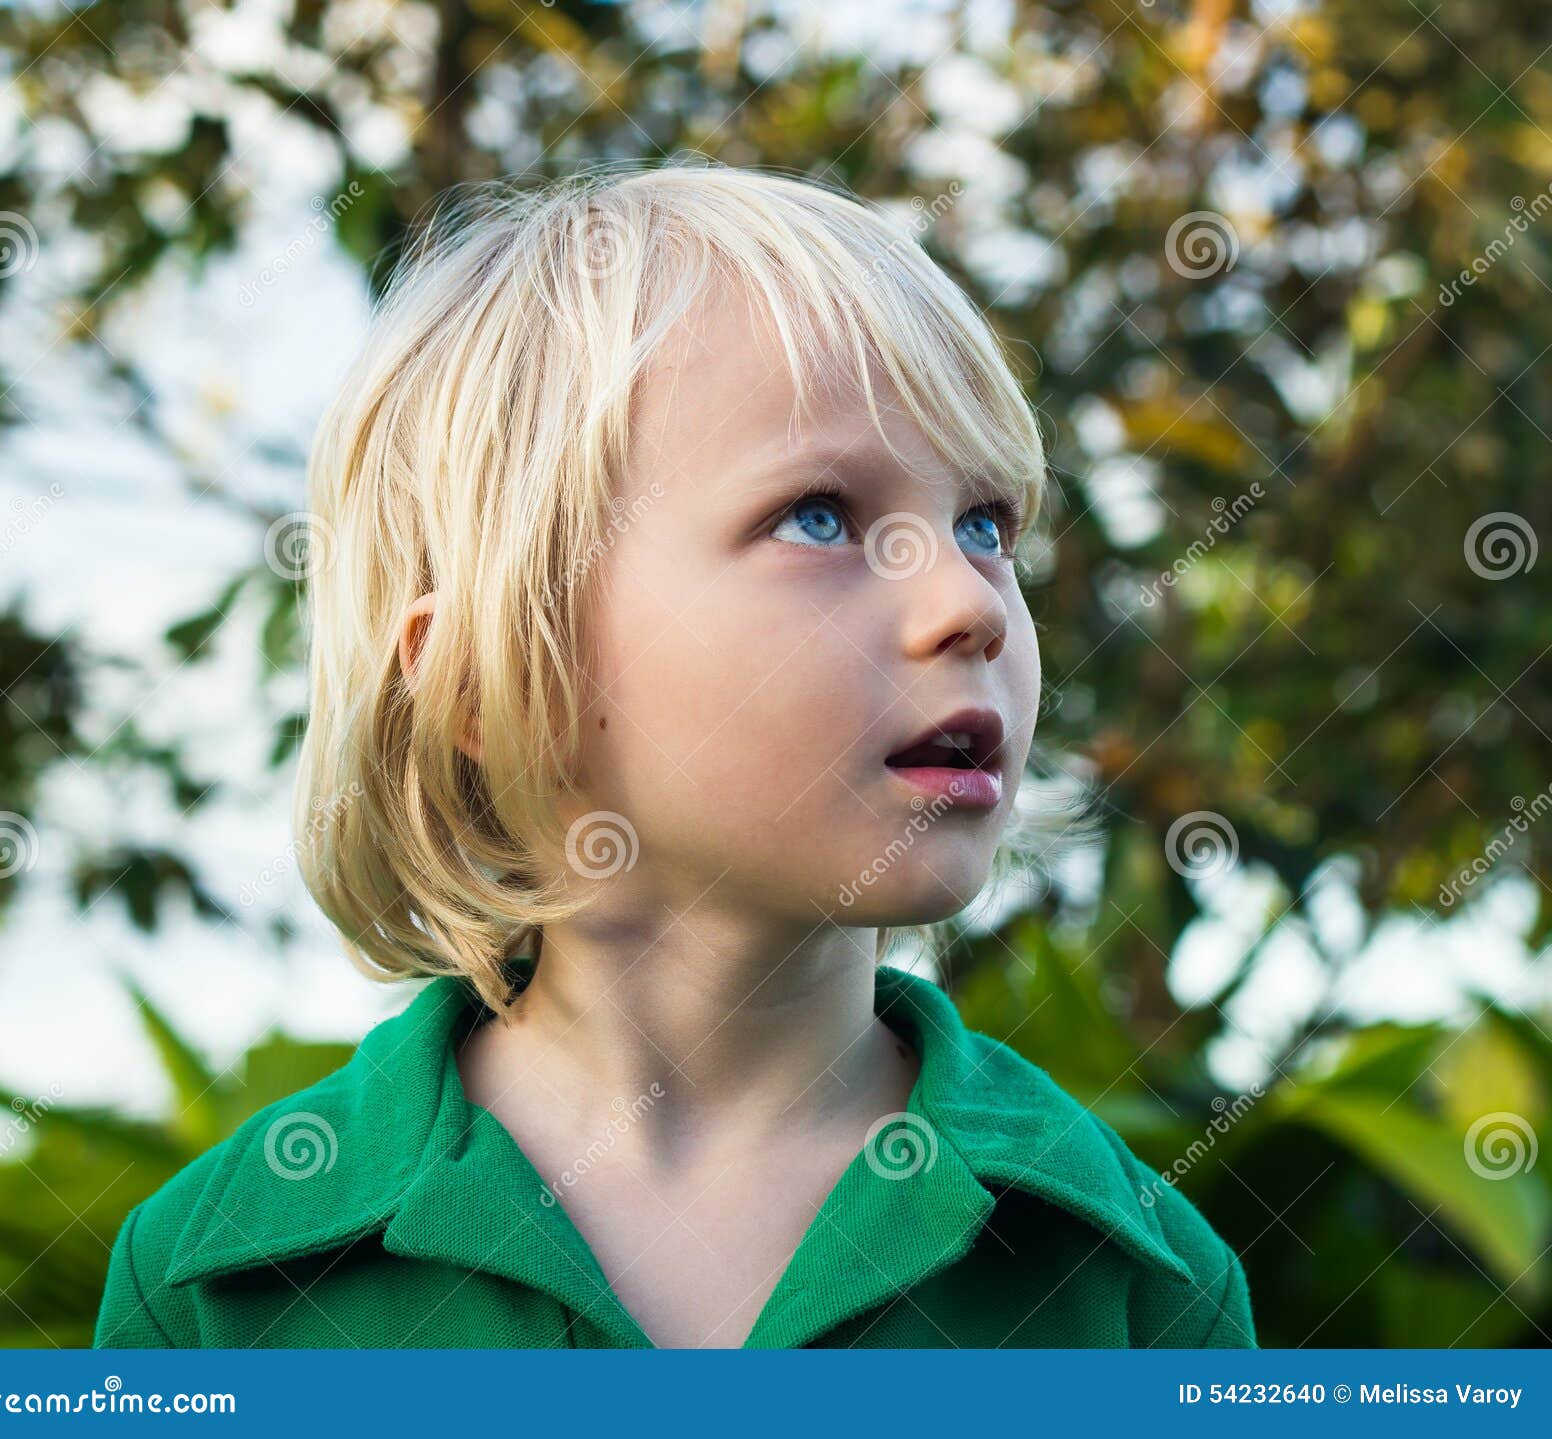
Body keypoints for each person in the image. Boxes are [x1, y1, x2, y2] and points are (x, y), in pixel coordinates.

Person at [94, 160, 1255, 1349]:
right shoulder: (220, 1280)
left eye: (984, 524)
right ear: (495, 677)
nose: (971, 603)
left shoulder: (1132, 1276)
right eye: (820, 516)